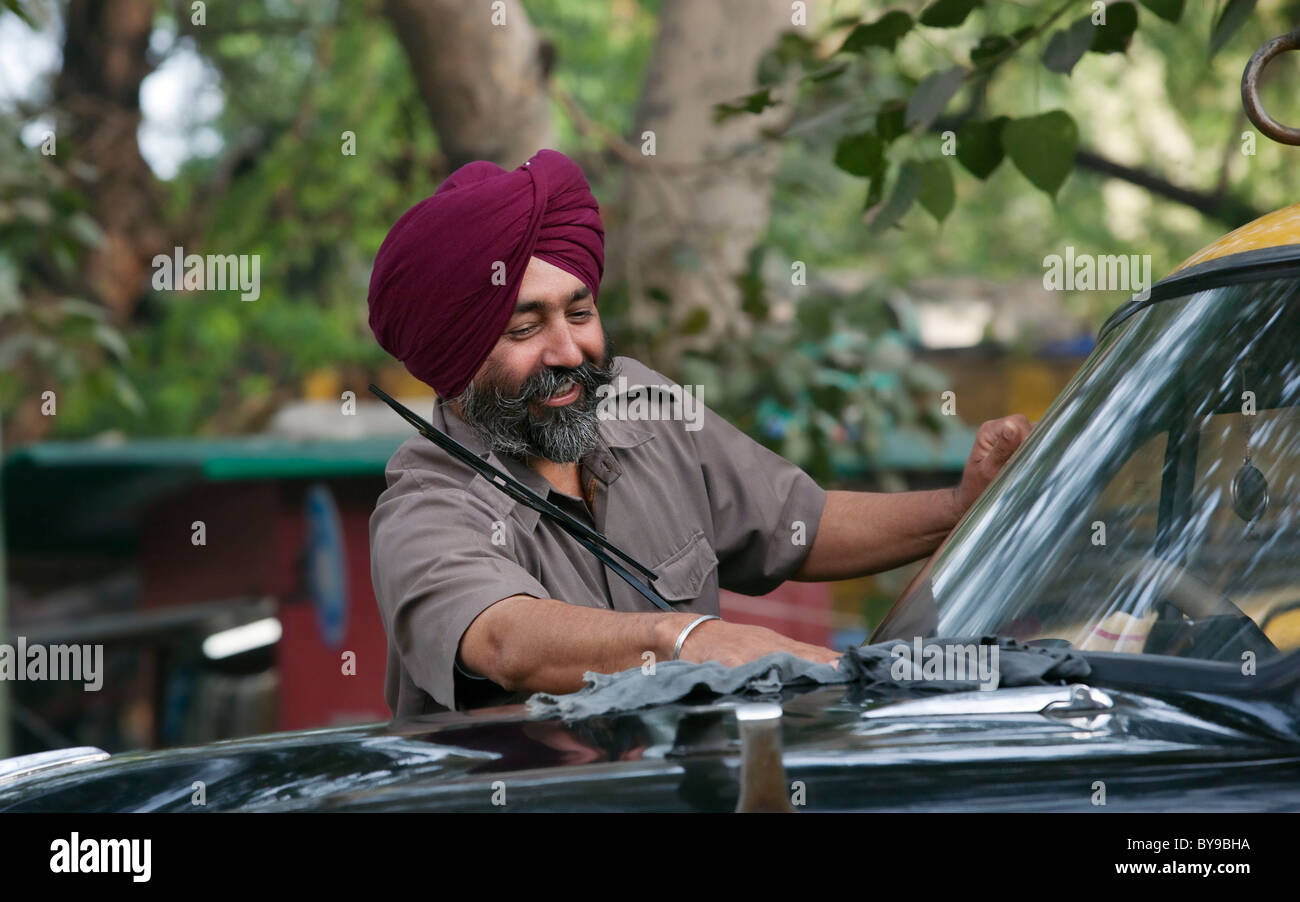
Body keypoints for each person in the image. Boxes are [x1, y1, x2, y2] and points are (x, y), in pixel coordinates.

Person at [367, 148, 1031, 715]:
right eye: (524, 328)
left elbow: (800, 524)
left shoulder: (640, 405)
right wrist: (690, 644)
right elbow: (504, 642)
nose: (569, 350)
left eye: (580, 311)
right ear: (455, 362)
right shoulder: (426, 505)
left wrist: (959, 509)